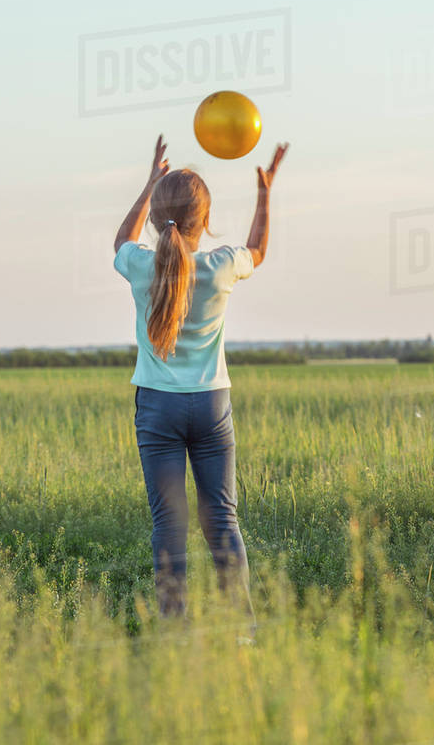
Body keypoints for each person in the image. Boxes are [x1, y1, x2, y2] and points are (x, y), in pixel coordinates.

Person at [113, 135, 288, 620]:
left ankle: (173, 628)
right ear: (206, 221)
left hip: (158, 407)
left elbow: (120, 243)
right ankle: (242, 625)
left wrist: (150, 182)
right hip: (211, 405)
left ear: (154, 219)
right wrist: (265, 191)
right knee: (222, 519)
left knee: (169, 523)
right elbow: (257, 249)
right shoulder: (221, 265)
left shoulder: (141, 265)